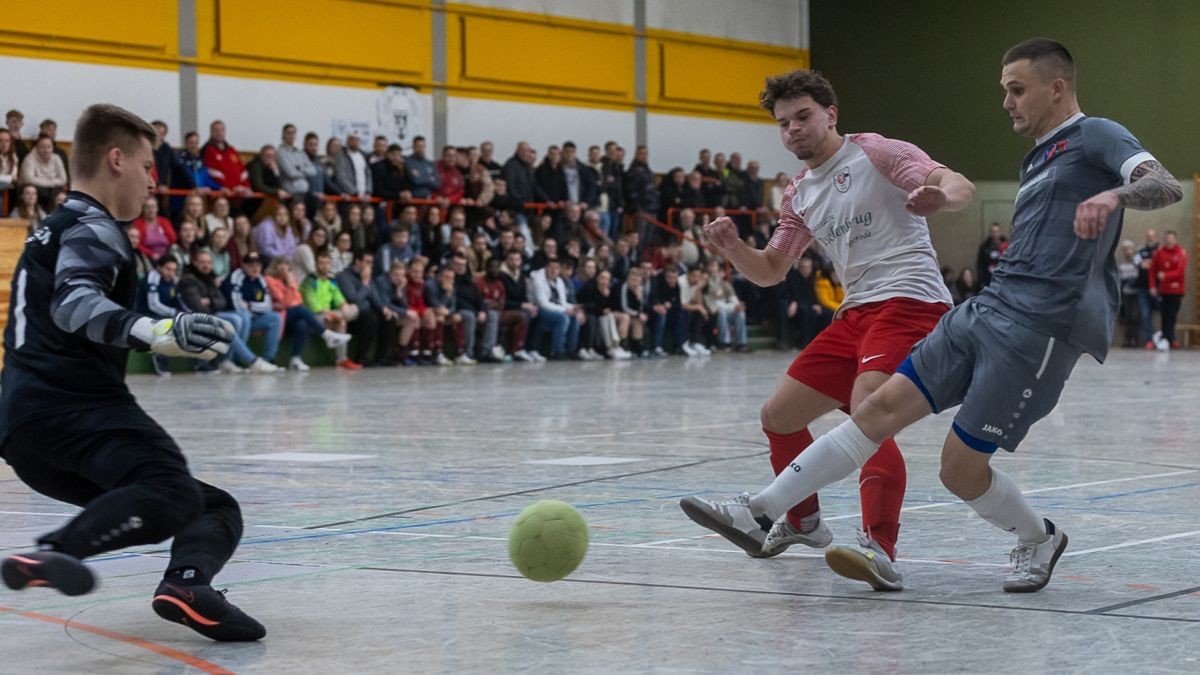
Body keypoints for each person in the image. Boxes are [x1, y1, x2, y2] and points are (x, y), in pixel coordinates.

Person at [680, 40, 1181, 594]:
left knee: (958, 470)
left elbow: (1163, 183)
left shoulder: (1097, 134)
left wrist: (1113, 197)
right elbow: (773, 266)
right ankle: (762, 512)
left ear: (1056, 87)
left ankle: (1038, 537)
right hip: (984, 308)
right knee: (876, 410)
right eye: (1004, 91)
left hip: (1039, 329)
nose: (1007, 102)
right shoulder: (1036, 158)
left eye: (1017, 89)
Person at [677, 66, 975, 591]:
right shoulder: (798, 193)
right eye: (783, 122)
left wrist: (939, 198)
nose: (793, 128)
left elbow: (958, 185)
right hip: (855, 313)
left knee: (868, 410)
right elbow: (770, 270)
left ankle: (880, 548)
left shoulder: (876, 153)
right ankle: (802, 520)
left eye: (803, 116)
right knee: (779, 416)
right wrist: (732, 250)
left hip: (911, 301)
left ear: (830, 115)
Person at [0, 103, 263, 641]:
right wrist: (159, 334)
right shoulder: (96, 227)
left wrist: (171, 322)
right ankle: (54, 552)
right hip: (76, 409)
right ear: (116, 160)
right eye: (147, 166)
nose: (153, 180)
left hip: (23, 428)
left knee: (208, 504)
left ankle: (188, 584)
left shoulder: (55, 227)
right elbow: (74, 304)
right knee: (171, 488)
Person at [1149, 230, 1187, 349]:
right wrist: (1152, 286)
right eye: (1167, 238)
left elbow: (1180, 271)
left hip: (1177, 290)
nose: (1169, 240)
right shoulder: (1159, 253)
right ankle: (1166, 338)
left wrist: (1166, 275)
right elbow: (1152, 270)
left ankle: (1170, 338)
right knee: (1164, 314)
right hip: (1164, 290)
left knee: (1172, 314)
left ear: (1175, 239)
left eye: (1171, 238)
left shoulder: (1181, 252)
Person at [1135, 229, 1160, 347]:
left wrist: (1149, 263)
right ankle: (1149, 340)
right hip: (1143, 288)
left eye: (1152, 236)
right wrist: (1148, 263)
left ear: (1156, 237)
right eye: (1148, 236)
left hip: (1159, 287)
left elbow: (1158, 265)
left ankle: (1166, 338)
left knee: (1165, 313)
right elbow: (1138, 263)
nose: (1150, 238)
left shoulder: (1160, 250)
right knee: (1145, 314)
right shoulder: (1141, 250)